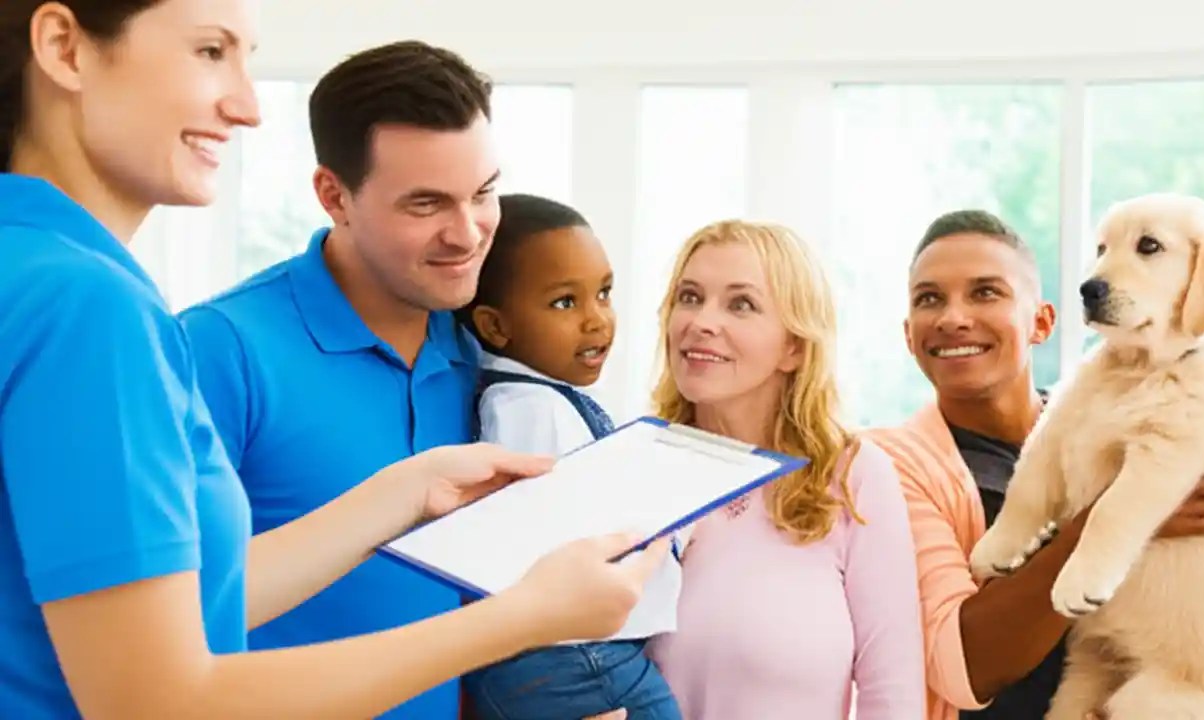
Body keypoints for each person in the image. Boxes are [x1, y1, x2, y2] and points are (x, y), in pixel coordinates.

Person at [0, 1, 670, 717]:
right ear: (65, 48)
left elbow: (196, 598)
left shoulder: (34, 265)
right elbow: (158, 699)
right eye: (208, 51)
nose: (249, 106)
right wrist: (526, 617)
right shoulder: (90, 304)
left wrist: (405, 493)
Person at [177, 39, 506, 718]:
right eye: (426, 205)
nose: (467, 232)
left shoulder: (489, 348)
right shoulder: (219, 349)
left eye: (483, 193)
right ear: (335, 195)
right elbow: (159, 619)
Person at [864, 209, 1204, 720]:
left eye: (985, 292)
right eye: (929, 299)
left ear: (1042, 322)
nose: (953, 318)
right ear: (908, 333)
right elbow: (964, 664)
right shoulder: (889, 467)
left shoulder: (1166, 408)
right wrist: (1129, 520)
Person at [646, 220, 927, 719]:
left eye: (740, 304)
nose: (701, 322)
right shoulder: (638, 466)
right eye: (689, 297)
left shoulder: (853, 476)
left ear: (794, 346)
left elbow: (894, 697)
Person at [457, 193, 683, 719]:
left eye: (604, 293)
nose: (597, 320)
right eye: (565, 302)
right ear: (495, 326)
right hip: (573, 654)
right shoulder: (529, 408)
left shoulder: (537, 397)